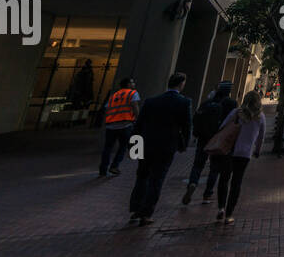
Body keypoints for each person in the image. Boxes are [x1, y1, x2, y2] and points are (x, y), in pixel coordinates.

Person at [127, 72, 192, 226]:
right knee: (157, 179)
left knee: (142, 176)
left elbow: (139, 124)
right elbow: (187, 126)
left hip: (146, 144)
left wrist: (133, 145)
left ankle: (136, 209)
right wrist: (184, 145)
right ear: (181, 84)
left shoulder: (151, 101)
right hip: (166, 146)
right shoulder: (184, 102)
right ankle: (146, 213)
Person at [183, 80, 237, 205]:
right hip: (219, 139)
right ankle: (207, 194)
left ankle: (192, 182)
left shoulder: (207, 102)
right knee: (215, 168)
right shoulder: (231, 103)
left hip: (203, 138)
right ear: (229, 91)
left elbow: (197, 118)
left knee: (198, 164)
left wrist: (195, 134)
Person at [216, 91, 265, 225]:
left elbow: (222, 127)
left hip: (229, 151)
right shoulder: (260, 117)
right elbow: (261, 137)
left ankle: (221, 207)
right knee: (236, 183)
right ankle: (229, 214)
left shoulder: (236, 113)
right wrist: (257, 151)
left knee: (224, 179)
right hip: (245, 154)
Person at [99, 77, 140, 178]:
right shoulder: (132, 93)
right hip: (125, 124)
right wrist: (137, 118)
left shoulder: (114, 95)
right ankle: (114, 166)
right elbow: (135, 106)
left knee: (107, 148)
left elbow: (107, 108)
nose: (134, 84)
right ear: (128, 84)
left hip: (111, 125)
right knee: (123, 147)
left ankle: (103, 169)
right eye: (132, 82)